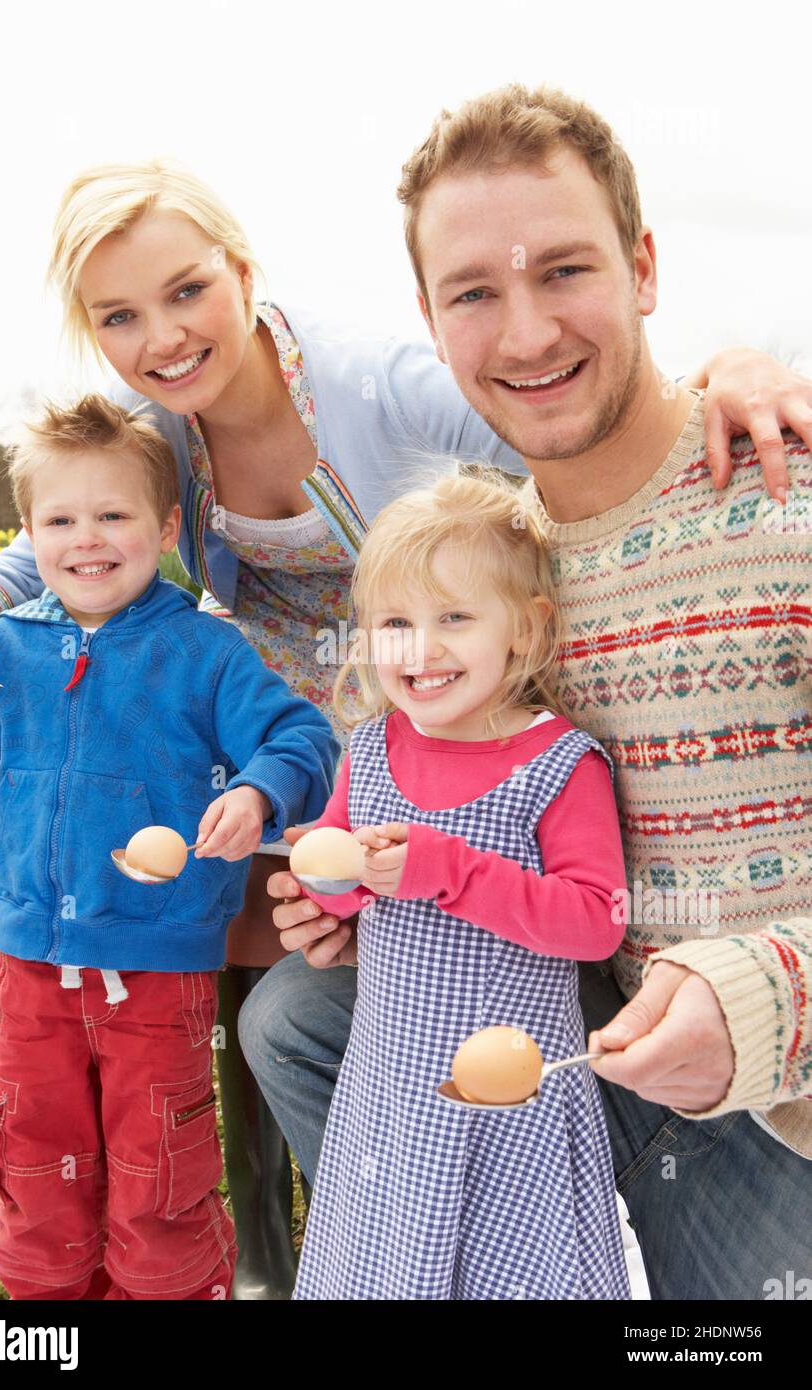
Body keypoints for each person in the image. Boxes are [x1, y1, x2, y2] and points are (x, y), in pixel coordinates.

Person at [0, 159, 807, 1297]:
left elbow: (562, 403)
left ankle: (476, 1208)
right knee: (271, 973)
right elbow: (51, 525)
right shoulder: (165, 429)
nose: (164, 334)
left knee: (310, 972)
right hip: (327, 745)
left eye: (187, 290)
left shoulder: (381, 387)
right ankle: (330, 1237)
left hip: (447, 714)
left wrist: (725, 372)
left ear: (244, 274)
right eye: (120, 316)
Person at [254, 83, 812, 1300]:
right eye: (474, 292)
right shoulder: (489, 580)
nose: (522, 335)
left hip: (777, 1107)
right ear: (429, 318)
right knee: (295, 1013)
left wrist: (772, 989)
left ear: (645, 267)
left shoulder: (785, 502)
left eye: (564, 270)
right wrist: (354, 901)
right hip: (559, 1038)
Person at [0, 394, 338, 1299]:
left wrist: (257, 792)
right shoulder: (5, 651)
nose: (86, 538)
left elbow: (302, 740)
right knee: (35, 1149)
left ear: (167, 526)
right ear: (28, 532)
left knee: (156, 1163)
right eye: (61, 519)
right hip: (29, 968)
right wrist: (1, 896)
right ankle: (47, 1307)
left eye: (113, 515)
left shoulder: (204, 653)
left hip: (159, 972)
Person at [288, 469, 632, 1299]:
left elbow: (595, 922)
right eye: (395, 622)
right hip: (391, 1087)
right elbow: (333, 884)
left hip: (513, 1101)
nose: (420, 648)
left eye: (454, 619)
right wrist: (337, 881)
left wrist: (445, 868)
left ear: (523, 629)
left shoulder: (556, 764)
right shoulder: (371, 750)